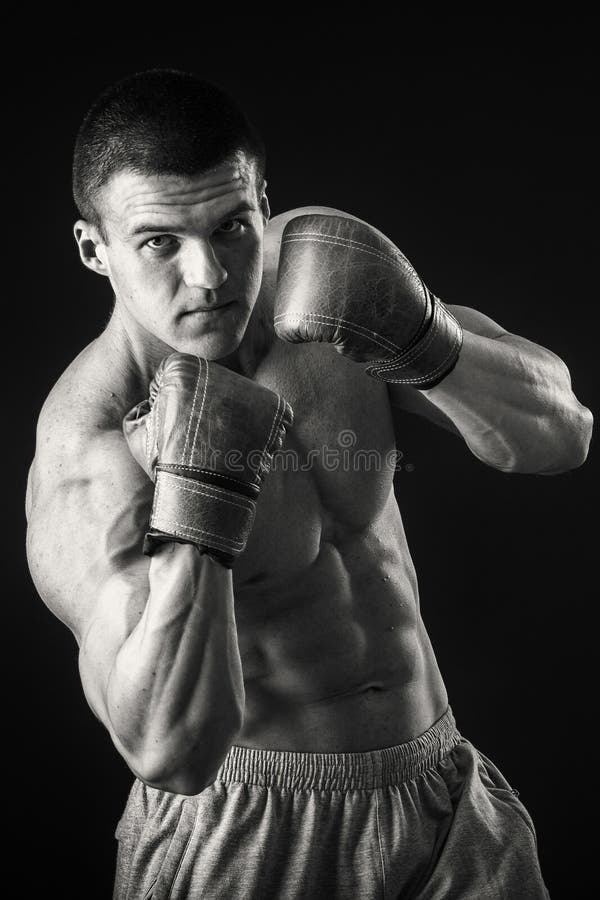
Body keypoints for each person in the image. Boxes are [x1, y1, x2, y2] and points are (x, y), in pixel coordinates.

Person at [25, 69, 592, 900]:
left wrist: (428, 341)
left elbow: (564, 435)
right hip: (246, 836)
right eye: (159, 243)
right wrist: (196, 503)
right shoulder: (91, 449)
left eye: (232, 226)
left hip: (443, 788)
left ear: (263, 200)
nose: (211, 275)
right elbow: (170, 753)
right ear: (93, 248)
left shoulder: (321, 275)